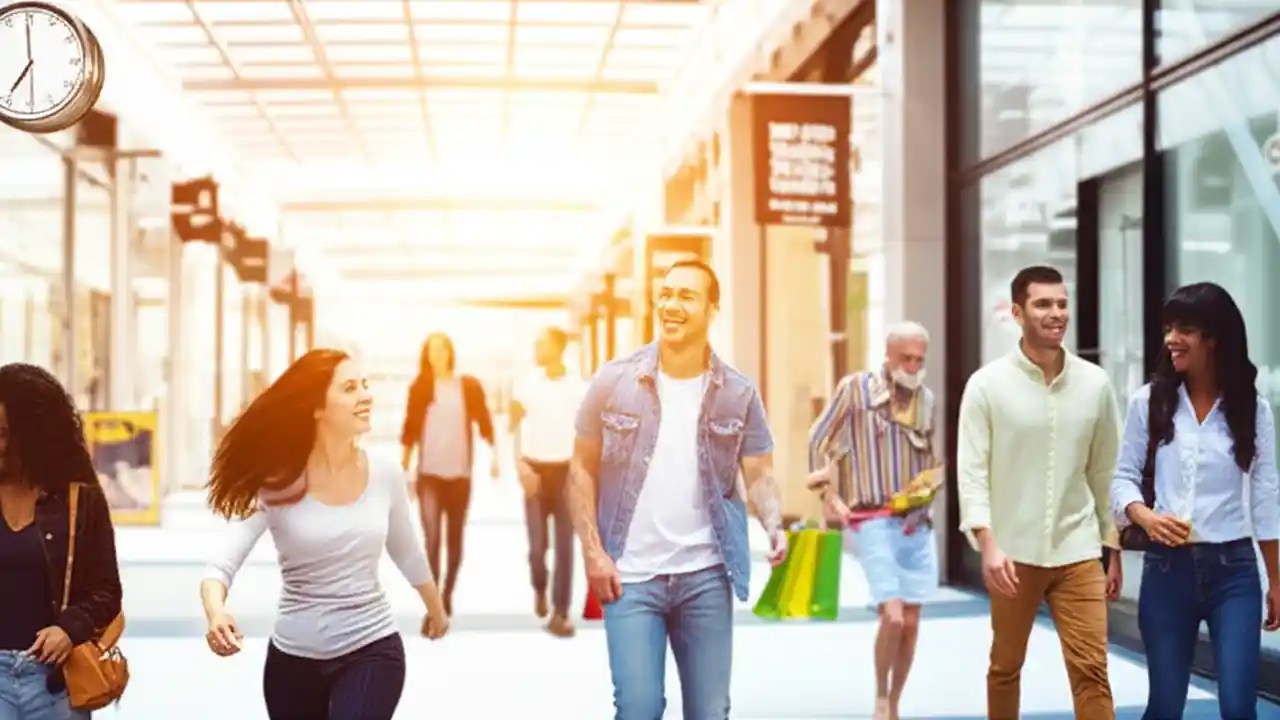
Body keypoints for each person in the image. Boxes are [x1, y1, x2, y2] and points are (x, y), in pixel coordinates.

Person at [570, 259, 787, 720]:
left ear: (712, 308)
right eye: (666, 293)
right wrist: (593, 551)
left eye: (687, 296)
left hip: (705, 575)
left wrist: (773, 524)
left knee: (711, 712)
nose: (671, 304)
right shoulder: (614, 381)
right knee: (638, 709)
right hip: (630, 576)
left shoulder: (738, 393)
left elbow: (760, 473)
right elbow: (580, 469)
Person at [201, 349, 448, 720]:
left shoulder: (385, 473)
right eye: (350, 388)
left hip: (372, 649)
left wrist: (436, 608)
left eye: (365, 385)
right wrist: (216, 612)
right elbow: (221, 565)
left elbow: (406, 549)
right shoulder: (277, 483)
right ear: (317, 407)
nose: (366, 395)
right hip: (292, 663)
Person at [957, 265, 1123, 719]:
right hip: (1013, 554)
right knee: (1006, 666)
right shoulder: (987, 385)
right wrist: (987, 544)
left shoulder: (1095, 384)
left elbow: (1106, 470)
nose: (1056, 313)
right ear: (1017, 312)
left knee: (1092, 670)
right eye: (1043, 304)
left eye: (1062, 303)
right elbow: (971, 472)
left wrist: (1114, 545)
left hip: (1078, 550)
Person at [1111, 282, 1279, 719]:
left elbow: (1266, 496)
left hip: (1235, 573)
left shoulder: (1252, 408)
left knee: (1240, 707)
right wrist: (1145, 518)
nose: (1171, 339)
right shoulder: (1148, 402)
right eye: (1168, 328)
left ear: (1213, 337)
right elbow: (1123, 479)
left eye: (1184, 329)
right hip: (1168, 571)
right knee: (1165, 706)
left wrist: (1277, 581)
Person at [806, 321, 941, 720]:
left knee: (913, 622)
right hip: (872, 519)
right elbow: (819, 439)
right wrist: (828, 495)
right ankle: (881, 698)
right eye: (906, 358)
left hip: (916, 524)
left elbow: (933, 460)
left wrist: (932, 482)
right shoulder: (857, 389)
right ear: (888, 355)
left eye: (919, 360)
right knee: (893, 615)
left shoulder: (926, 400)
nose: (913, 366)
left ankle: (895, 701)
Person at [0, 363, 122, 720]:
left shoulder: (79, 500)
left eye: (5, 434)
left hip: (56, 681)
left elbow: (106, 590)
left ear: (34, 434)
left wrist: (69, 629)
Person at [399, 332, 498, 617]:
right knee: (431, 539)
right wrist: (404, 468)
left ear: (450, 352)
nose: (437, 355)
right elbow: (410, 429)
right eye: (432, 350)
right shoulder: (420, 387)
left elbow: (485, 421)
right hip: (429, 473)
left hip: (460, 474)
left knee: (455, 538)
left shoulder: (467, 386)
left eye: (442, 349)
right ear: (426, 355)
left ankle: (447, 594)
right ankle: (433, 602)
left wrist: (494, 454)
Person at [509, 326, 587, 638]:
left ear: (558, 347)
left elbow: (586, 435)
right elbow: (512, 427)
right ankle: (540, 586)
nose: (537, 348)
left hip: (566, 473)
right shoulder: (527, 385)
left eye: (542, 344)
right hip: (535, 472)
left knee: (566, 545)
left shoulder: (578, 388)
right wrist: (520, 467)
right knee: (538, 545)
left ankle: (561, 612)